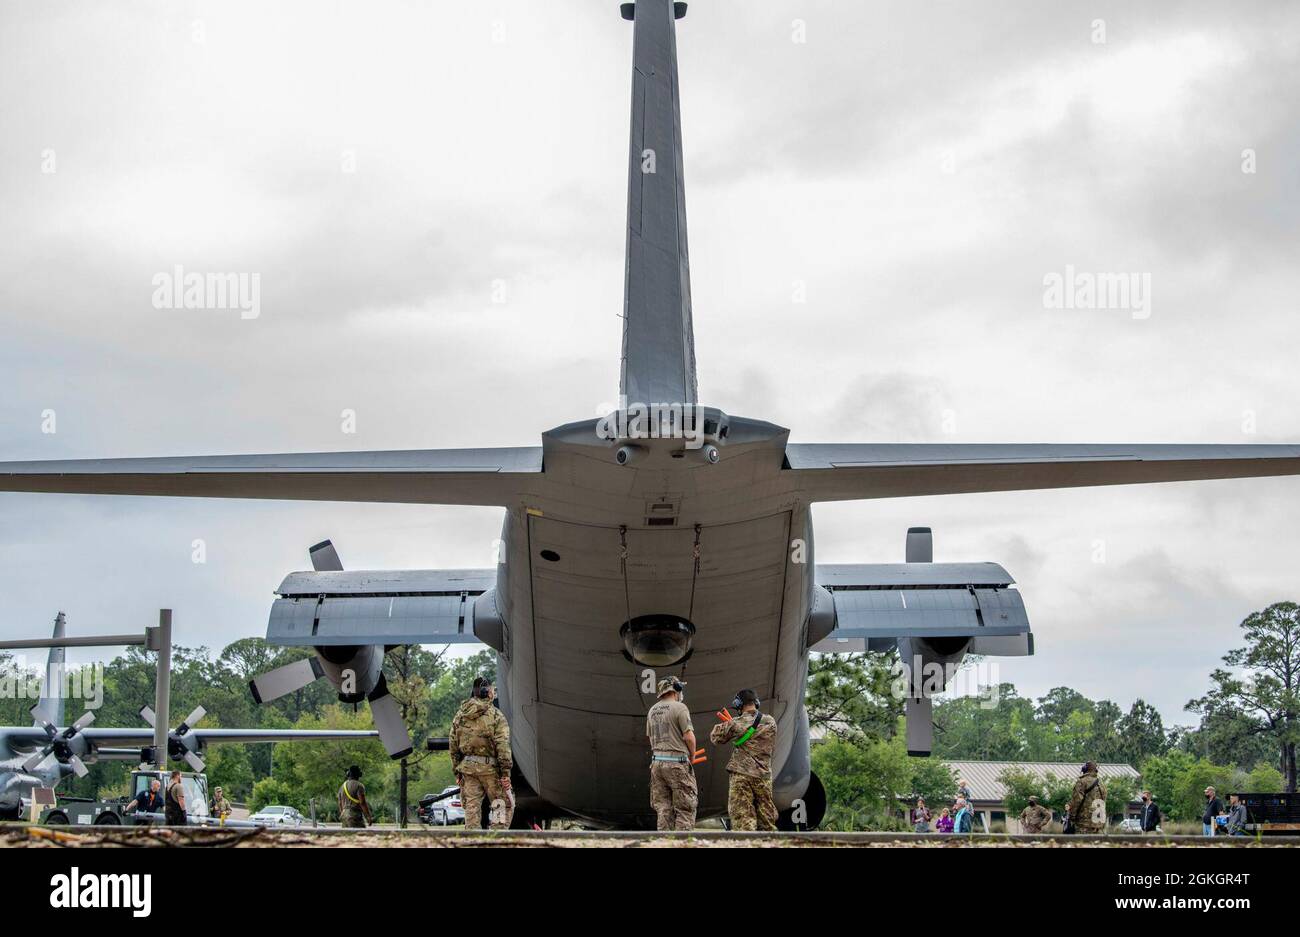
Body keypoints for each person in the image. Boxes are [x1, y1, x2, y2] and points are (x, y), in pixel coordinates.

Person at [450, 676, 513, 830]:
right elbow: (503, 746)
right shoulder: (496, 716)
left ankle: (472, 842)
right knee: (500, 803)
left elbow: (453, 744)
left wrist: (457, 771)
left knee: (471, 808)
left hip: (468, 769)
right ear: (488, 693)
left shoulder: (460, 715)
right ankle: (497, 840)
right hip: (491, 769)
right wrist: (505, 774)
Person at [709, 688, 777, 831]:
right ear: (756, 703)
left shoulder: (735, 723)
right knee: (767, 820)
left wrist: (731, 725)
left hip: (742, 775)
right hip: (763, 776)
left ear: (739, 705)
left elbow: (715, 737)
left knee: (743, 821)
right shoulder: (770, 721)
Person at [646, 675, 697, 830]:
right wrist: (692, 755)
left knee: (663, 808)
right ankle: (682, 843)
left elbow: (650, 738)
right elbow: (688, 736)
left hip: (656, 764)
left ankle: (664, 842)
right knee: (685, 807)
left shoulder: (652, 711)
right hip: (677, 763)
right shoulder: (680, 708)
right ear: (676, 689)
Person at [1065, 762, 1107, 834]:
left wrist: (1072, 817)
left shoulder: (1082, 782)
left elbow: (1077, 801)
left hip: (1084, 824)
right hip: (1099, 824)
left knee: (1082, 843)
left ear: (1084, 769)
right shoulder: (1101, 783)